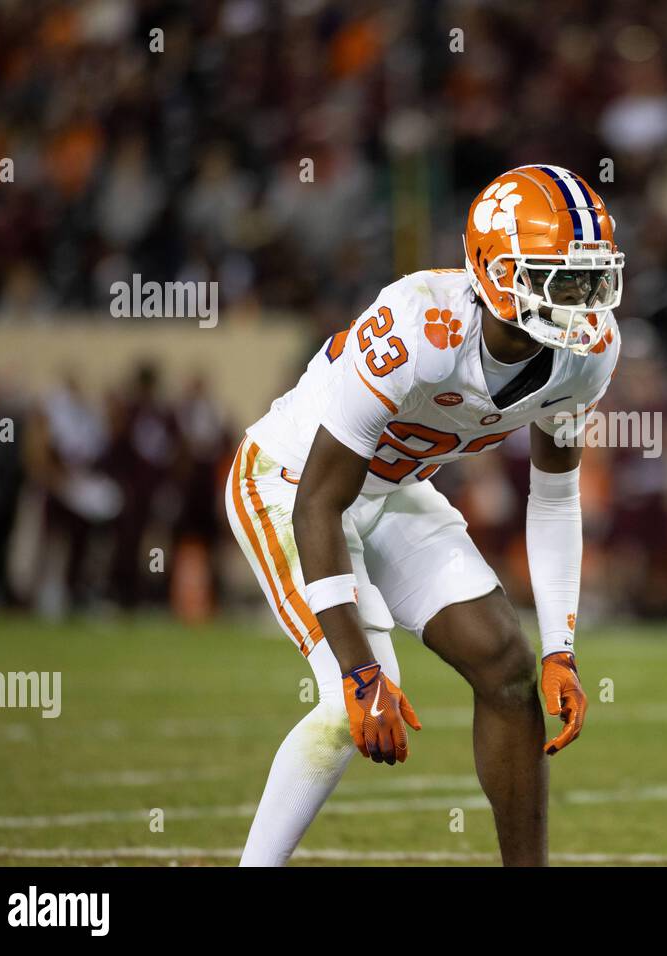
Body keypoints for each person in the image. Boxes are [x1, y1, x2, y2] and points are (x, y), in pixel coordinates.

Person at [224, 165, 623, 866]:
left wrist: (562, 644)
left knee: (506, 662)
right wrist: (357, 671)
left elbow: (556, 495)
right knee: (347, 709)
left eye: (591, 278)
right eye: (560, 277)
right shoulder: (421, 325)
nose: (583, 302)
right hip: (288, 484)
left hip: (388, 488)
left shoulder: (584, 359)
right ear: (498, 272)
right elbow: (320, 499)